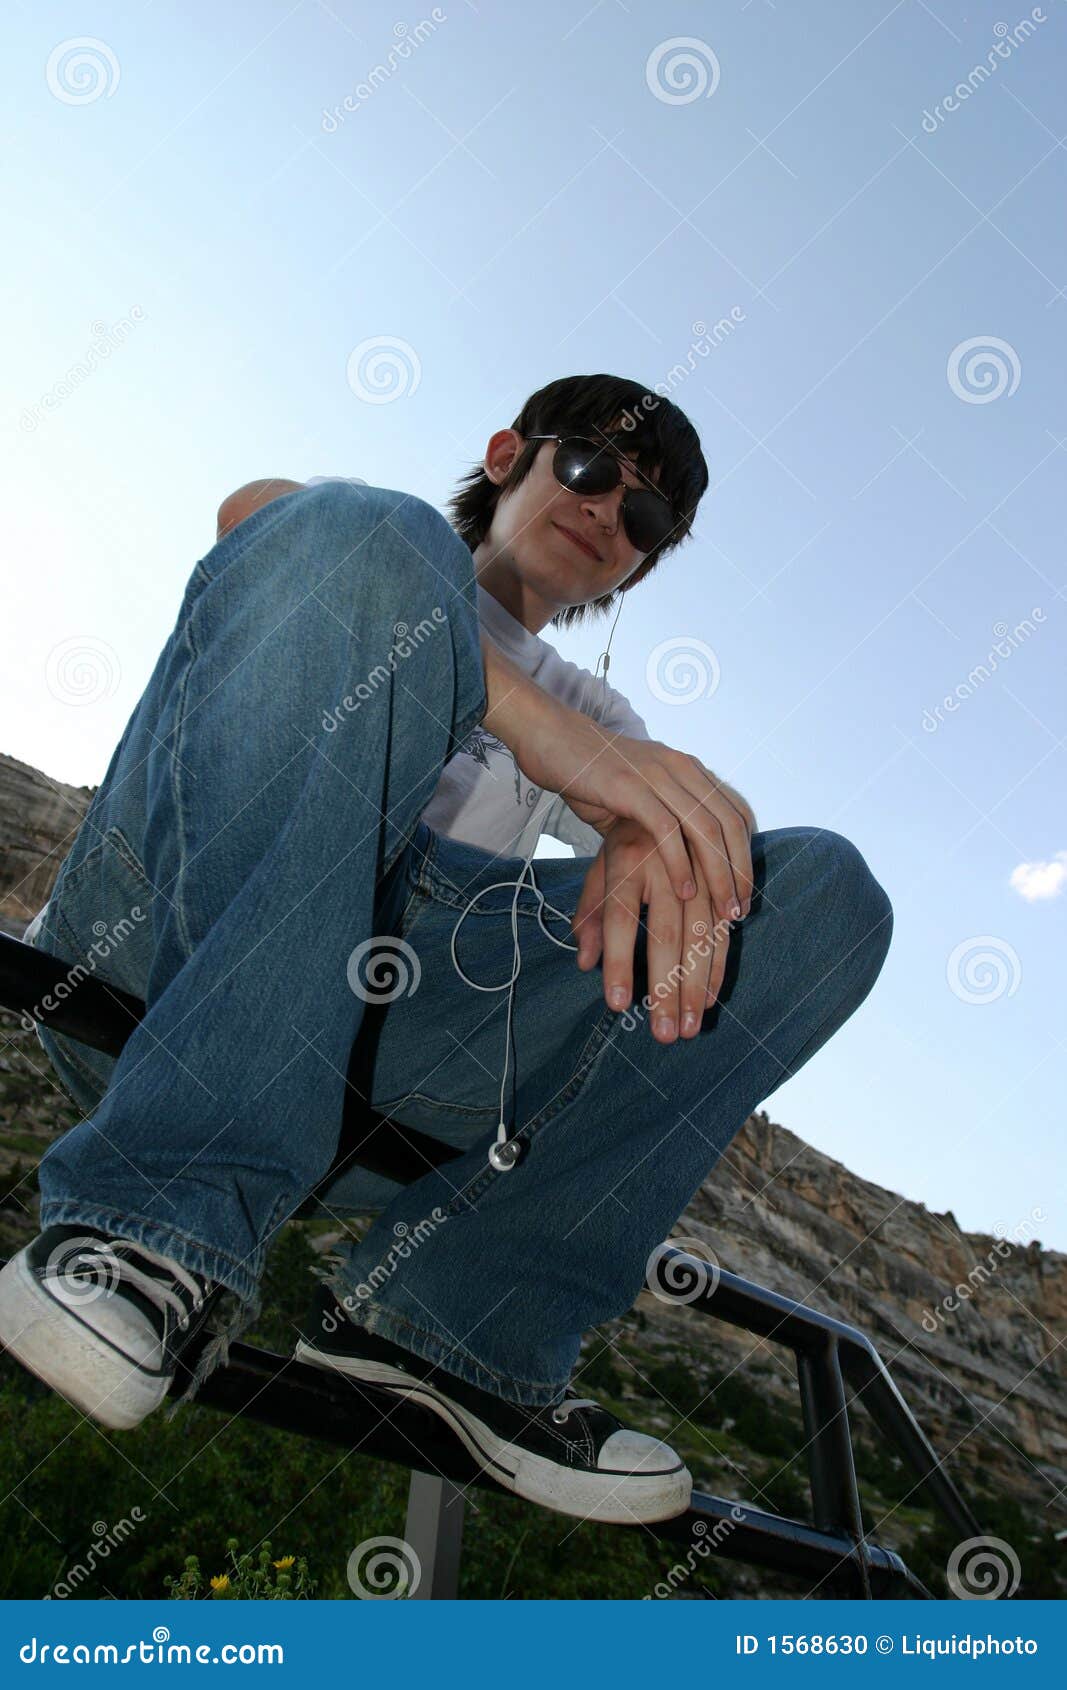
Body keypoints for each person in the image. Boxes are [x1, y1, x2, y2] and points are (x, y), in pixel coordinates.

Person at [0, 374, 893, 1525]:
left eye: (646, 517)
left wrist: (644, 830)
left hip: (373, 1064)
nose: (607, 511)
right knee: (374, 534)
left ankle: (458, 1324)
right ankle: (156, 1220)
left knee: (818, 896)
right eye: (588, 468)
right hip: (167, 968)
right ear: (508, 453)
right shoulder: (352, 535)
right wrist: (551, 744)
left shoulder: (606, 721)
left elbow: (687, 851)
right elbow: (250, 510)